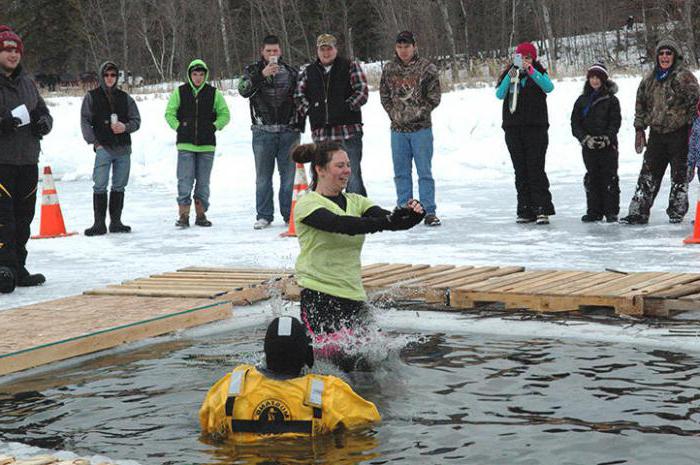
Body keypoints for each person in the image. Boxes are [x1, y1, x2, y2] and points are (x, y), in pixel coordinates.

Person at [292, 142, 425, 340]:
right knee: (332, 359)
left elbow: (389, 221)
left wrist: (411, 215)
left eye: (348, 164)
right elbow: (341, 224)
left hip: (353, 295)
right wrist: (387, 221)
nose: (347, 171)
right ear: (320, 170)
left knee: (370, 359)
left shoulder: (357, 201)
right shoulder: (307, 204)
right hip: (319, 295)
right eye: (340, 166)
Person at [199, 316, 381, 440]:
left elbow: (206, 428)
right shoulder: (329, 393)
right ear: (307, 356)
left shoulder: (229, 389)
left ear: (266, 353)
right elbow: (369, 423)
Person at [621, 37, 700, 224]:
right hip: (656, 134)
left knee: (679, 176)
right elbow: (640, 104)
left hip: (680, 134)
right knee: (648, 174)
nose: (665, 57)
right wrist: (639, 128)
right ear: (657, 56)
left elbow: (696, 104)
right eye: (661, 53)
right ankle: (638, 212)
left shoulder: (684, 77)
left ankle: (676, 212)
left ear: (675, 56)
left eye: (668, 53)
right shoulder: (649, 79)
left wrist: (692, 127)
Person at [0, 25, 52, 293]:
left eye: (16, 49)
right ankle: (4, 268)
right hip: (3, 162)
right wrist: (5, 122)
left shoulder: (28, 83)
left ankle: (18, 266)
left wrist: (43, 122)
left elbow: (43, 111)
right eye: (7, 49)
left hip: (28, 160)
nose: (13, 54)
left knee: (23, 218)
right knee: (3, 219)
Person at [380, 31, 442, 227]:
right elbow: (384, 95)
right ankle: (405, 208)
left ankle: (428, 210)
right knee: (401, 172)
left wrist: (417, 113)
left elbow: (434, 97)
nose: (403, 51)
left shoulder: (427, 68)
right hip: (398, 130)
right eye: (399, 47)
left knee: (424, 171)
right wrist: (393, 113)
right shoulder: (389, 69)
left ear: (414, 46)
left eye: (406, 46)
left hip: (420, 129)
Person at [239, 35, 301, 230]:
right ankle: (264, 215)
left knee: (289, 177)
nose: (272, 54)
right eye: (268, 51)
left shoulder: (291, 72)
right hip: (262, 131)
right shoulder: (252, 71)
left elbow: (302, 97)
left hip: (288, 131)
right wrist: (261, 75)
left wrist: (298, 122)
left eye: (275, 51)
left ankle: (289, 214)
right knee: (263, 177)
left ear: (280, 51)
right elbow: (243, 90)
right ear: (262, 52)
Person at [295, 34, 369, 196]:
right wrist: (312, 110)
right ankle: (325, 214)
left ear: (336, 49)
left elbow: (362, 92)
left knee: (352, 175)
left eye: (329, 48)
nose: (326, 53)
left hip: (348, 132)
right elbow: (298, 97)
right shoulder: (308, 71)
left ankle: (360, 216)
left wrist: (346, 107)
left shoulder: (350, 66)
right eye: (322, 49)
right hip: (322, 134)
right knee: (323, 176)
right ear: (317, 51)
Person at [165, 59, 230, 228]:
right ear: (189, 75)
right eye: (195, 74)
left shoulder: (213, 93)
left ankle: (201, 214)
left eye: (201, 74)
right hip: (185, 145)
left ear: (205, 75)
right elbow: (169, 113)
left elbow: (225, 114)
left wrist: (215, 126)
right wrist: (178, 127)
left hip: (207, 145)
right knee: (184, 181)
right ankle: (183, 214)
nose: (198, 78)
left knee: (203, 182)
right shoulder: (180, 92)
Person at [496, 41, 555, 224]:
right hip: (513, 129)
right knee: (520, 170)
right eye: (521, 57)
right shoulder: (511, 73)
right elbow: (500, 94)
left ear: (533, 58)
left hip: (535, 128)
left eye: (527, 57)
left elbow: (548, 87)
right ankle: (525, 208)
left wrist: (531, 70)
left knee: (535, 168)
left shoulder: (537, 72)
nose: (524, 60)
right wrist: (511, 74)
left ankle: (541, 208)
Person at [80, 60, 141, 236]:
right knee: (99, 185)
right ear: (101, 76)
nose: (109, 78)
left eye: (113, 75)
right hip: (103, 148)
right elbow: (85, 121)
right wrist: (95, 142)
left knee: (119, 186)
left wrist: (125, 127)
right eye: (106, 75)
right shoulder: (91, 96)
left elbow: (136, 121)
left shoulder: (125, 98)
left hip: (123, 148)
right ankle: (99, 224)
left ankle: (116, 222)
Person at [570, 63, 622, 223]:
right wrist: (585, 139)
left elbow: (615, 122)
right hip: (589, 146)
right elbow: (575, 123)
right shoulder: (581, 100)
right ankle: (594, 210)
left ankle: (611, 211)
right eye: (592, 77)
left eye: (598, 78)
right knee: (593, 177)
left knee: (609, 176)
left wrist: (607, 138)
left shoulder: (612, 100)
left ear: (603, 80)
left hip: (608, 146)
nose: (595, 81)